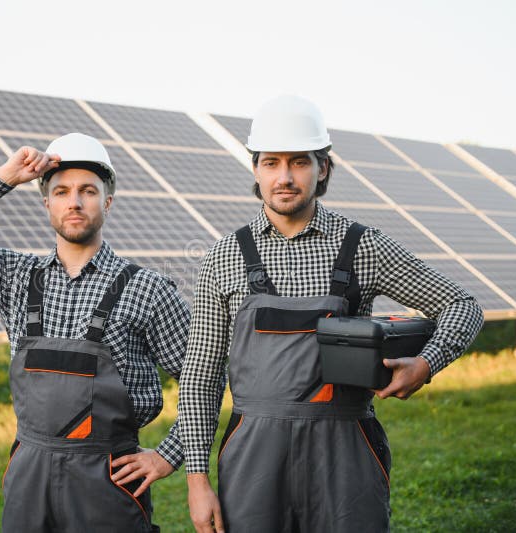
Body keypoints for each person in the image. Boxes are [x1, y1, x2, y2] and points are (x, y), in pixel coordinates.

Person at [177, 95, 484, 532]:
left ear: (323, 167)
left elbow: (461, 305)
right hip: (252, 458)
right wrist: (196, 481)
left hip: (346, 452)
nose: (284, 177)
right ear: (255, 169)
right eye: (271, 163)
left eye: (299, 161)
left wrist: (425, 363)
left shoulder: (364, 247)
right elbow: (200, 375)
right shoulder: (222, 258)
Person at [0, 132, 190, 532]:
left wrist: (168, 454)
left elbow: (202, 377)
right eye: (62, 191)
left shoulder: (148, 289)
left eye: (88, 191)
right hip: (29, 475)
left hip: (109, 480)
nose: (75, 202)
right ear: (46, 202)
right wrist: (5, 177)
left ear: (108, 201)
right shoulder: (14, 277)